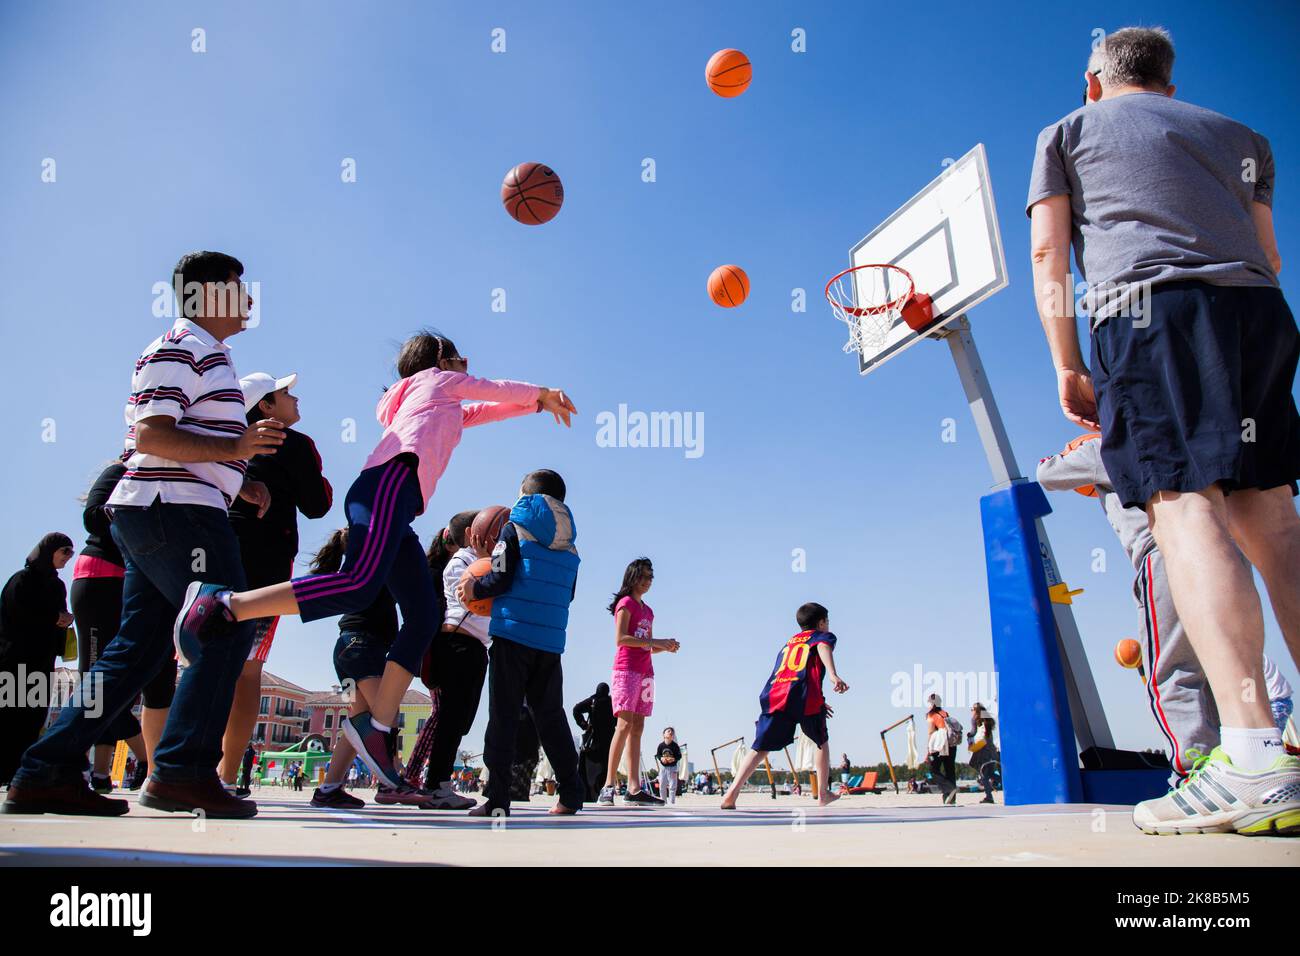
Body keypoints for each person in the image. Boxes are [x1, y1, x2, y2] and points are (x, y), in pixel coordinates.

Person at [1027, 26, 1300, 834]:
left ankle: (1251, 754)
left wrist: (1066, 363)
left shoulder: (1067, 132)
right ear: (1170, 86)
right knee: (1275, 523)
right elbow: (1270, 256)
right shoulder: (1243, 137)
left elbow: (1049, 252)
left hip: (1150, 310)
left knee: (1184, 507)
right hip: (1256, 312)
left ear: (1092, 82)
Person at [174, 331, 577, 791]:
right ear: (440, 362)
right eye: (460, 358)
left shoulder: (431, 400)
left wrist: (535, 406)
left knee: (424, 614)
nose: (466, 364)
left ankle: (377, 729)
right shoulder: (436, 382)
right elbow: (488, 389)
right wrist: (540, 392)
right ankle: (225, 603)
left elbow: (480, 410)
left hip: (398, 502)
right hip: (389, 482)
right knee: (358, 585)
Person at [4, 252, 276, 818]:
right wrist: (234, 450)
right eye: (238, 287)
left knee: (138, 651)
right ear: (207, 296)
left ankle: (46, 771)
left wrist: (236, 478)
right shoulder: (184, 346)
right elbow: (153, 434)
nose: (249, 298)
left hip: (166, 509)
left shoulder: (209, 354)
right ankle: (180, 771)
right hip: (175, 511)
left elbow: (177, 438)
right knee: (223, 628)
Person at [221, 371, 333, 797]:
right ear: (265, 407)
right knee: (248, 672)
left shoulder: (225, 441)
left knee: (203, 664)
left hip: (216, 556)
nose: (294, 397)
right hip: (265, 570)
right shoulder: (294, 443)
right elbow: (318, 505)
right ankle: (227, 775)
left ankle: (176, 769)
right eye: (285, 393)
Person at [460, 470, 585, 817]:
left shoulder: (512, 528)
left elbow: (499, 575)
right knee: (551, 718)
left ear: (524, 496)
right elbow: (569, 594)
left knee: (503, 716)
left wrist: (474, 590)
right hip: (550, 640)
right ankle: (572, 795)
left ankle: (498, 799)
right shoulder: (571, 541)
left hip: (512, 636)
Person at [71, 463, 165, 793]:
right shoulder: (120, 472)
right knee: (96, 674)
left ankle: (99, 773)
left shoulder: (167, 483)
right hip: (100, 578)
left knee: (119, 678)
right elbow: (92, 516)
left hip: (133, 582)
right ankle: (66, 762)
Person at [417, 506, 508, 809]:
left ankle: (438, 785)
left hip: (476, 648)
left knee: (462, 721)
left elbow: (504, 578)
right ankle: (436, 786)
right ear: (473, 533)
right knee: (450, 718)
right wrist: (488, 559)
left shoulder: (492, 561)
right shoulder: (461, 561)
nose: (495, 536)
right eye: (491, 530)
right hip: (456, 643)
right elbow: (472, 595)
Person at [721, 603, 848, 809]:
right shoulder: (822, 637)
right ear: (822, 622)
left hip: (776, 695)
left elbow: (794, 673)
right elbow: (823, 648)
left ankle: (731, 793)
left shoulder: (788, 644)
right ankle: (823, 793)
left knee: (760, 747)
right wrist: (833, 675)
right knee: (820, 742)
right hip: (804, 698)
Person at [597, 558, 680, 806]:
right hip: (626, 670)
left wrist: (664, 647)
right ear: (632, 577)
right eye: (643, 576)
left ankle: (634, 788)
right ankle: (608, 785)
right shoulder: (626, 604)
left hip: (645, 672)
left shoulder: (648, 611)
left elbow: (647, 645)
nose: (647, 581)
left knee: (638, 727)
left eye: (650, 577)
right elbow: (621, 638)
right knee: (623, 725)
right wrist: (657, 642)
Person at [0, 534, 76, 786]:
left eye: (71, 553)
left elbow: (54, 616)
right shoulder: (22, 580)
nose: (68, 557)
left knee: (32, 718)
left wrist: (64, 619)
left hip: (42, 661)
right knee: (11, 715)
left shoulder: (56, 585)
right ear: (49, 551)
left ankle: (20, 774)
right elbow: (16, 615)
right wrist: (53, 617)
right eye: (65, 551)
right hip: (15, 660)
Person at [573, 682, 616, 801]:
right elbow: (618, 718)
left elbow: (576, 709)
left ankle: (587, 794)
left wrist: (584, 725)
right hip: (609, 740)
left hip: (593, 740)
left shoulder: (592, 701)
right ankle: (600, 792)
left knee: (586, 769)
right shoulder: (612, 702)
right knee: (605, 768)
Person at [925, 693, 958, 806]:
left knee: (933, 770)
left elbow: (930, 733)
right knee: (950, 770)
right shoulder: (945, 713)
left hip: (940, 743)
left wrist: (928, 750)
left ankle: (949, 788)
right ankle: (950, 799)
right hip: (952, 743)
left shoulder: (931, 715)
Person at [967, 703, 999, 804]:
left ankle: (989, 797)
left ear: (977, 711)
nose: (971, 711)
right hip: (991, 750)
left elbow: (976, 735)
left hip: (983, 750)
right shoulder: (987, 722)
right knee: (989, 773)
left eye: (972, 709)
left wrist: (970, 736)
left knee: (984, 774)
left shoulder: (980, 723)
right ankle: (1008, 783)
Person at [655, 727, 682, 805]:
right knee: (662, 785)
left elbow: (679, 756)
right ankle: (663, 801)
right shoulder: (661, 745)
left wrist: (674, 759)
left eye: (672, 731)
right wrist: (661, 758)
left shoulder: (675, 746)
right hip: (663, 768)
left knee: (673, 786)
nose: (671, 732)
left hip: (673, 768)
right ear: (664, 734)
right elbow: (658, 755)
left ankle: (672, 802)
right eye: (668, 731)